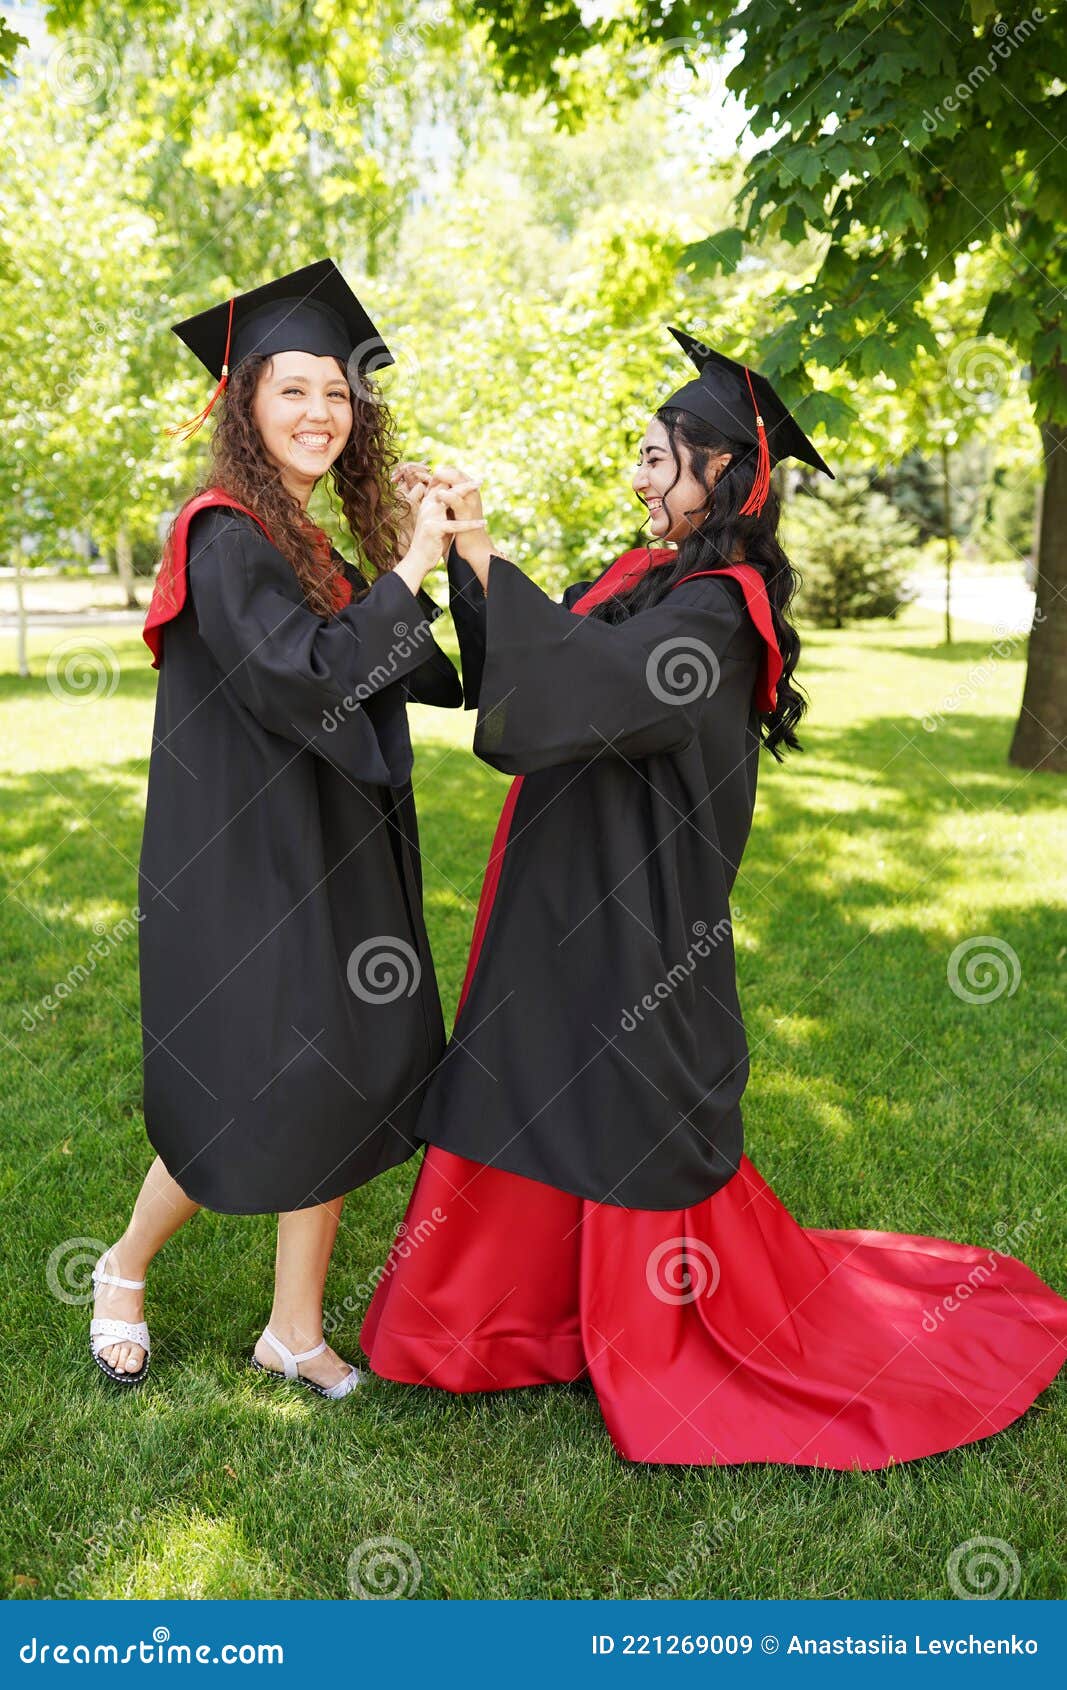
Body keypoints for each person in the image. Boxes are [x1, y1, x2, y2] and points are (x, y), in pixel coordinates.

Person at [360, 329, 1067, 1466]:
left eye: (659, 458)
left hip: (639, 894)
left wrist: (486, 544)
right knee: (536, 1052)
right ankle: (497, 1320)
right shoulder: (649, 576)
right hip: (566, 872)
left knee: (621, 1073)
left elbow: (602, 687)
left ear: (723, 473)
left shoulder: (723, 606)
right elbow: (529, 669)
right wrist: (462, 551)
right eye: (637, 456)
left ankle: (633, 1323)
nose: (638, 477)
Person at [89, 259, 485, 1399]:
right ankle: (120, 1270)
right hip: (253, 865)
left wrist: (448, 558)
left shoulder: (304, 539)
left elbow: (406, 671)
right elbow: (313, 680)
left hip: (331, 848)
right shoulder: (223, 538)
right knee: (249, 1079)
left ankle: (293, 1329)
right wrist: (405, 571)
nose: (321, 412)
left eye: (337, 393)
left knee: (348, 1074)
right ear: (247, 407)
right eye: (294, 390)